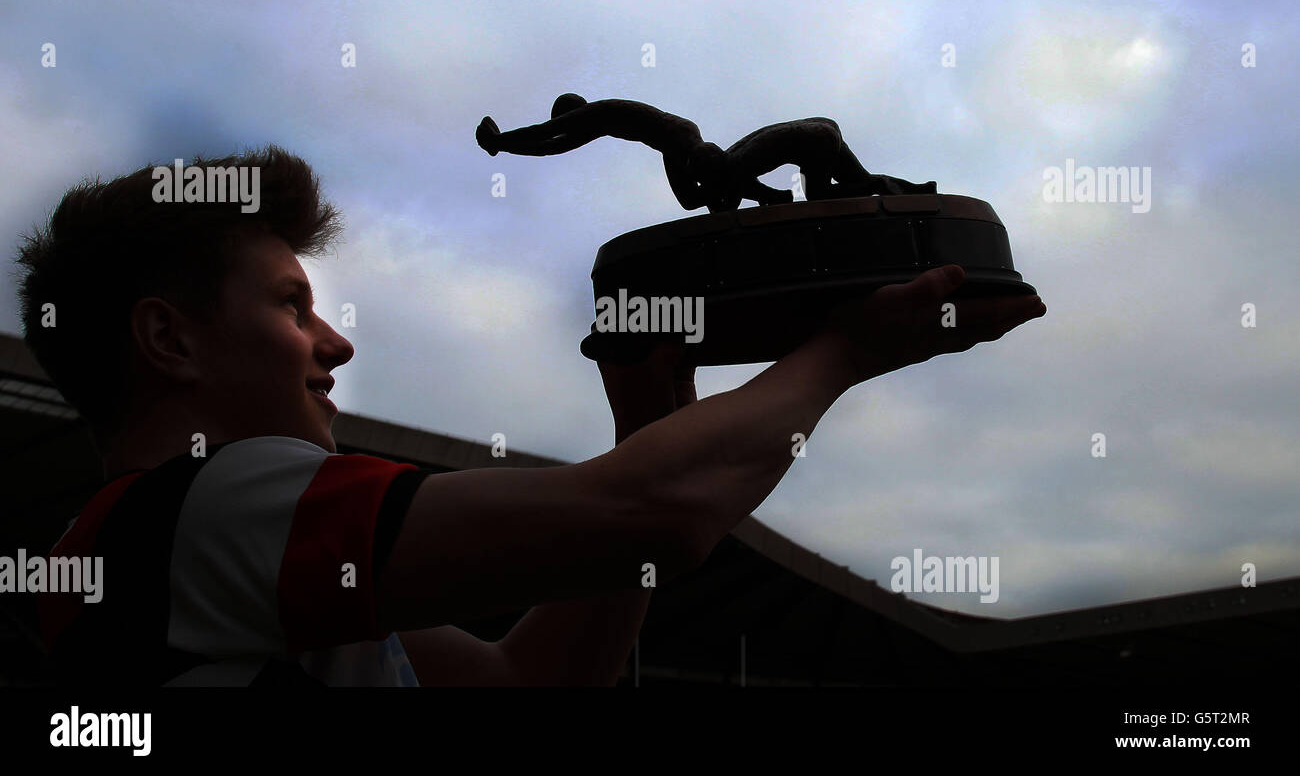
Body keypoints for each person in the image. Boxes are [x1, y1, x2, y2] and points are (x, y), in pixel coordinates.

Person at [15, 145, 1045, 686]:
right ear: (170, 339)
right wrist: (849, 350)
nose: (335, 343)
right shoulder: (206, 510)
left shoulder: (178, 552)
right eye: (291, 305)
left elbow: (529, 681)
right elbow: (649, 514)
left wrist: (647, 430)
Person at [477, 94, 936, 213]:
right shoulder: (643, 130)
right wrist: (509, 151)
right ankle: (916, 192)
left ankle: (769, 199)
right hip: (816, 131)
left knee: (709, 199)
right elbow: (556, 147)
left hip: (697, 149)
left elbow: (551, 137)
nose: (571, 130)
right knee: (699, 201)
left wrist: (502, 143)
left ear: (575, 111)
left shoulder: (600, 112)